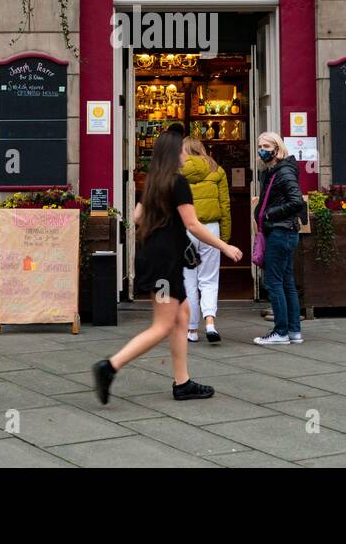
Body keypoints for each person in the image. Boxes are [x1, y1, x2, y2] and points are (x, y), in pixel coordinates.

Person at [92, 130, 242, 404]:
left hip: (160, 260)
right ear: (174, 154)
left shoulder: (152, 182)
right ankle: (110, 366)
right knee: (162, 325)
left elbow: (137, 217)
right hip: (163, 265)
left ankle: (182, 382)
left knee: (182, 316)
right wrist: (224, 246)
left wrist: (160, 219)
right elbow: (193, 224)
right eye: (182, 150)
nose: (186, 154)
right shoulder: (178, 183)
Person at [254, 132, 306, 346]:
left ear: (277, 148)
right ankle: (294, 331)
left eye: (266, 145)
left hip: (280, 231)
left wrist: (269, 214)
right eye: (259, 145)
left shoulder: (283, 172)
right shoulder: (275, 171)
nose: (262, 149)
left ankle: (281, 331)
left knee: (273, 283)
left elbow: (297, 201)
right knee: (287, 283)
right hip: (284, 232)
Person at [181, 137, 231, 344]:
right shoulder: (217, 171)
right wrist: (224, 239)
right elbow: (225, 206)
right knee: (209, 280)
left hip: (186, 230)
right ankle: (210, 322)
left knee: (188, 281)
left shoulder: (177, 172)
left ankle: (192, 329)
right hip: (211, 230)